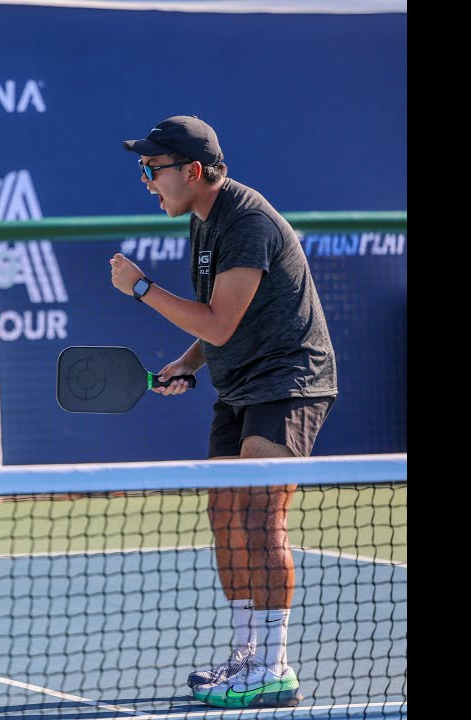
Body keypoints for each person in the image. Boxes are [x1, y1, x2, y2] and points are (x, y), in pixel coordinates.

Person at [110, 115, 336, 710]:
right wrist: (188, 362)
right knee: (224, 515)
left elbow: (218, 320)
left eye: (153, 169)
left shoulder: (248, 222)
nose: (146, 181)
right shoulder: (203, 223)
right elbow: (215, 325)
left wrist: (140, 289)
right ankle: (246, 654)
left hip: (288, 382)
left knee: (262, 518)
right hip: (239, 383)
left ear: (192, 171)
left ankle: (275, 668)